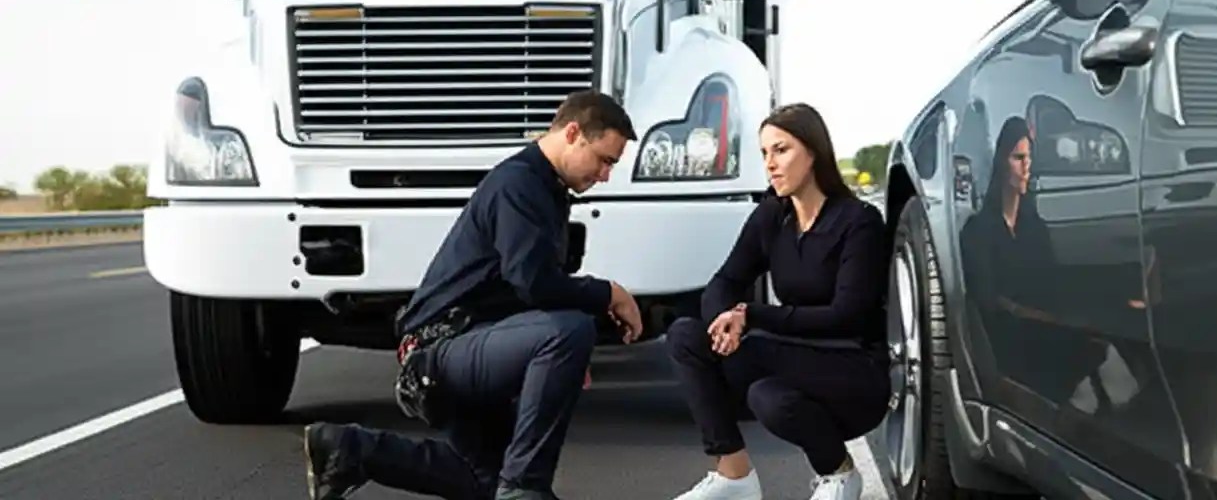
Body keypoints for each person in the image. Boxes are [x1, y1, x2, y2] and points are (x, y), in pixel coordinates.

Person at [302, 90, 645, 500]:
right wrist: (608, 293)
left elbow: (527, 295)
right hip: (440, 352)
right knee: (568, 330)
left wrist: (558, 359)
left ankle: (350, 450)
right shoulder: (520, 184)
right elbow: (533, 282)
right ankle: (525, 489)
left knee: (482, 481)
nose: (605, 175)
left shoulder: (546, 188)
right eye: (604, 160)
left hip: (467, 348)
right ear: (573, 133)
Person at [665, 102, 892, 500]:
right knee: (707, 351)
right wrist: (723, 321)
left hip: (854, 372)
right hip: (793, 363)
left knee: (753, 361)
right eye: (764, 153)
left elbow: (847, 316)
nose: (770, 163)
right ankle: (738, 476)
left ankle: (837, 477)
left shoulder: (860, 222)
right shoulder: (772, 217)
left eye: (781, 150)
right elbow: (726, 279)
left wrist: (751, 316)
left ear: (814, 151)